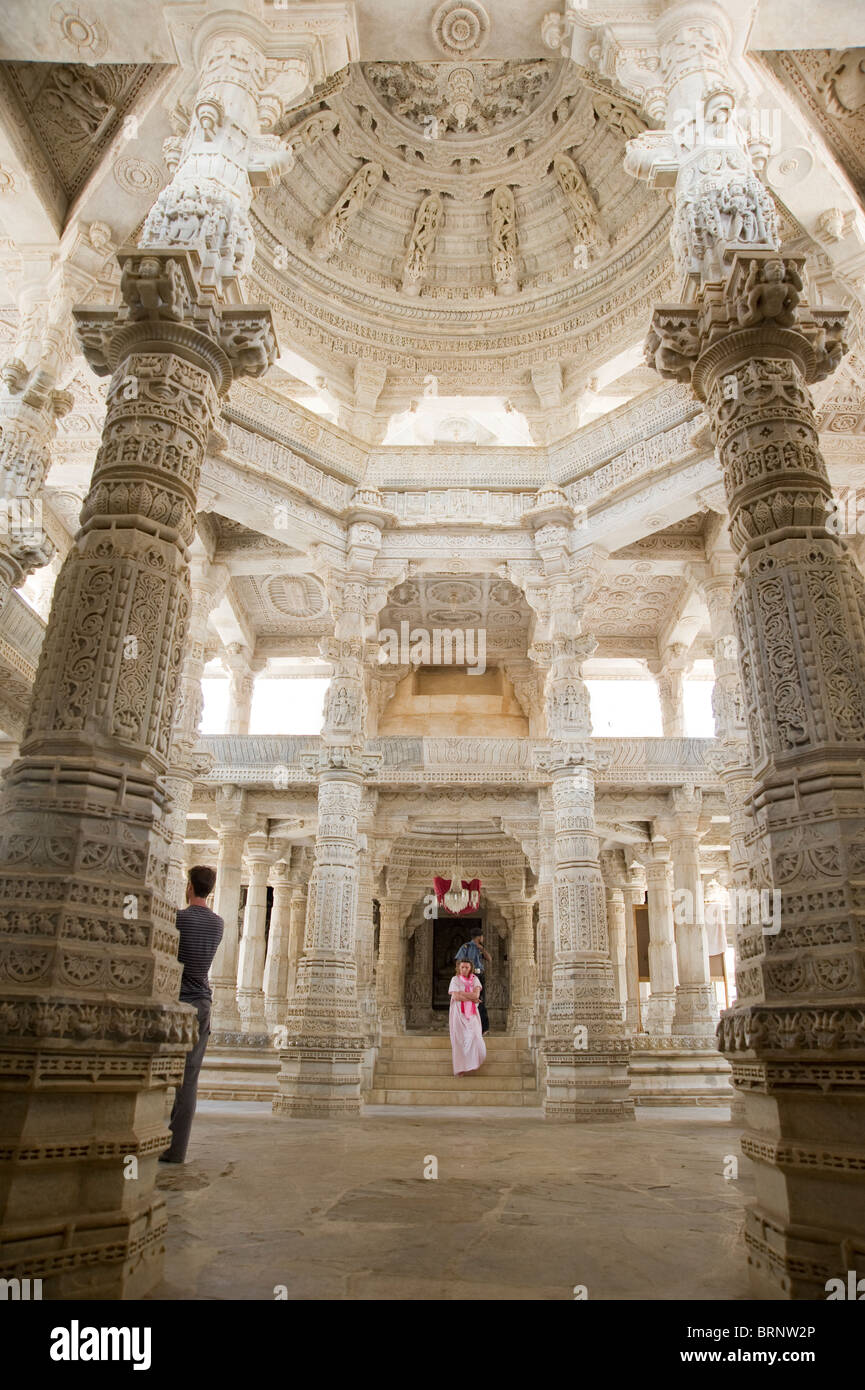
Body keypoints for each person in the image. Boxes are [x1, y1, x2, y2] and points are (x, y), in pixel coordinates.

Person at [160, 865, 224, 1164]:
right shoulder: (218, 924)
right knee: (190, 1077)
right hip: (202, 1002)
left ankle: (150, 1133)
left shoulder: (178, 919)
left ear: (189, 887)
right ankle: (176, 1150)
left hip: (175, 1001)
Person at [448, 959, 486, 1077]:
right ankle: (461, 1068)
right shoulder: (455, 980)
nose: (464, 969)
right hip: (458, 1012)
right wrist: (471, 997)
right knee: (459, 1040)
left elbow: (476, 995)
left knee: (475, 1036)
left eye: (467, 967)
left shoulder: (475, 979)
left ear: (471, 969)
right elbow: (455, 996)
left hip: (471, 1013)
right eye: (462, 967)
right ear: (458, 968)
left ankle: (472, 1063)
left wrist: (462, 994)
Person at [455, 928, 491, 1034]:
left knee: (480, 1000)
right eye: (482, 936)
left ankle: (483, 1028)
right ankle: (468, 1027)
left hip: (479, 975)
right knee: (468, 1000)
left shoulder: (481, 948)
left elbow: (489, 959)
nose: (483, 938)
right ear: (479, 937)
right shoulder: (466, 947)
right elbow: (458, 961)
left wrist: (482, 949)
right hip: (469, 976)